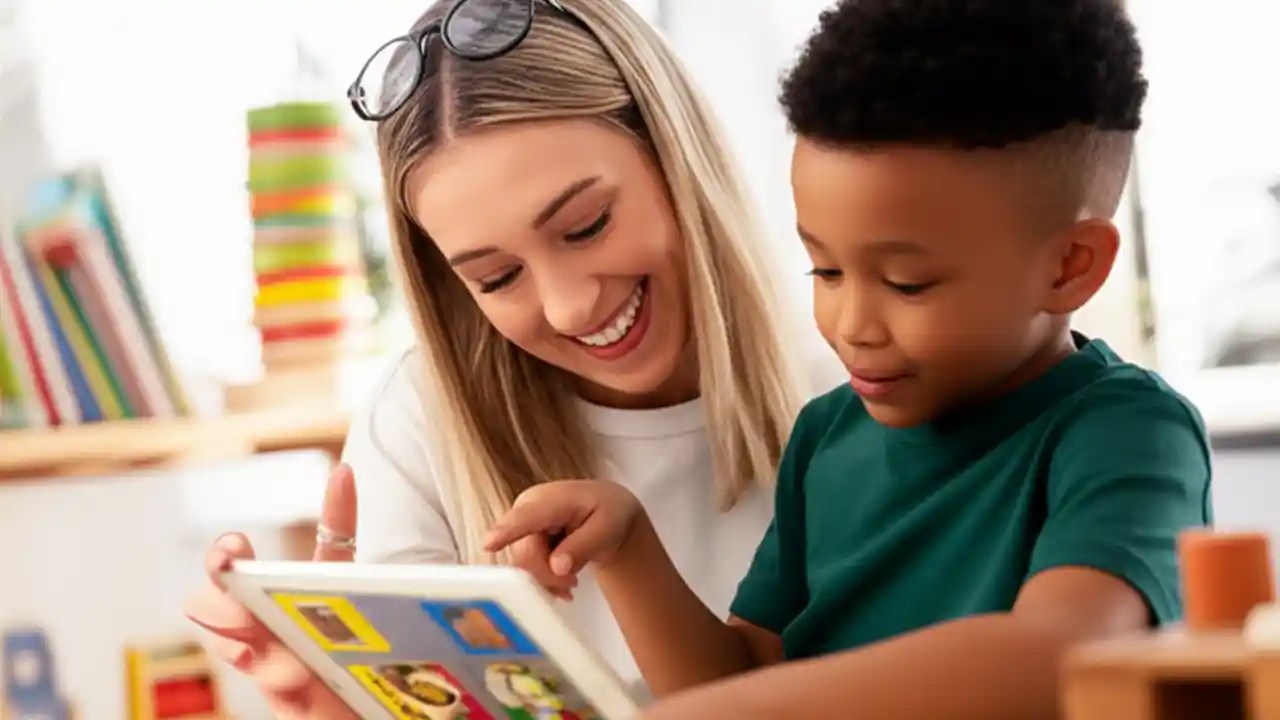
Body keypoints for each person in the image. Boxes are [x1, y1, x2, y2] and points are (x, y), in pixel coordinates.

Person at [484, 1, 1215, 718]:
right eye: (825, 271)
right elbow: (733, 682)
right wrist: (629, 545)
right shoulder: (827, 437)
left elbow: (1064, 653)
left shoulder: (1127, 431)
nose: (850, 324)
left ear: (1069, 267)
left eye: (907, 282)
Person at [183, 0, 844, 717]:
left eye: (586, 226)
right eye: (495, 278)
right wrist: (328, 703)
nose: (568, 307)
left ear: (671, 150)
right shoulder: (422, 421)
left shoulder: (854, 380)